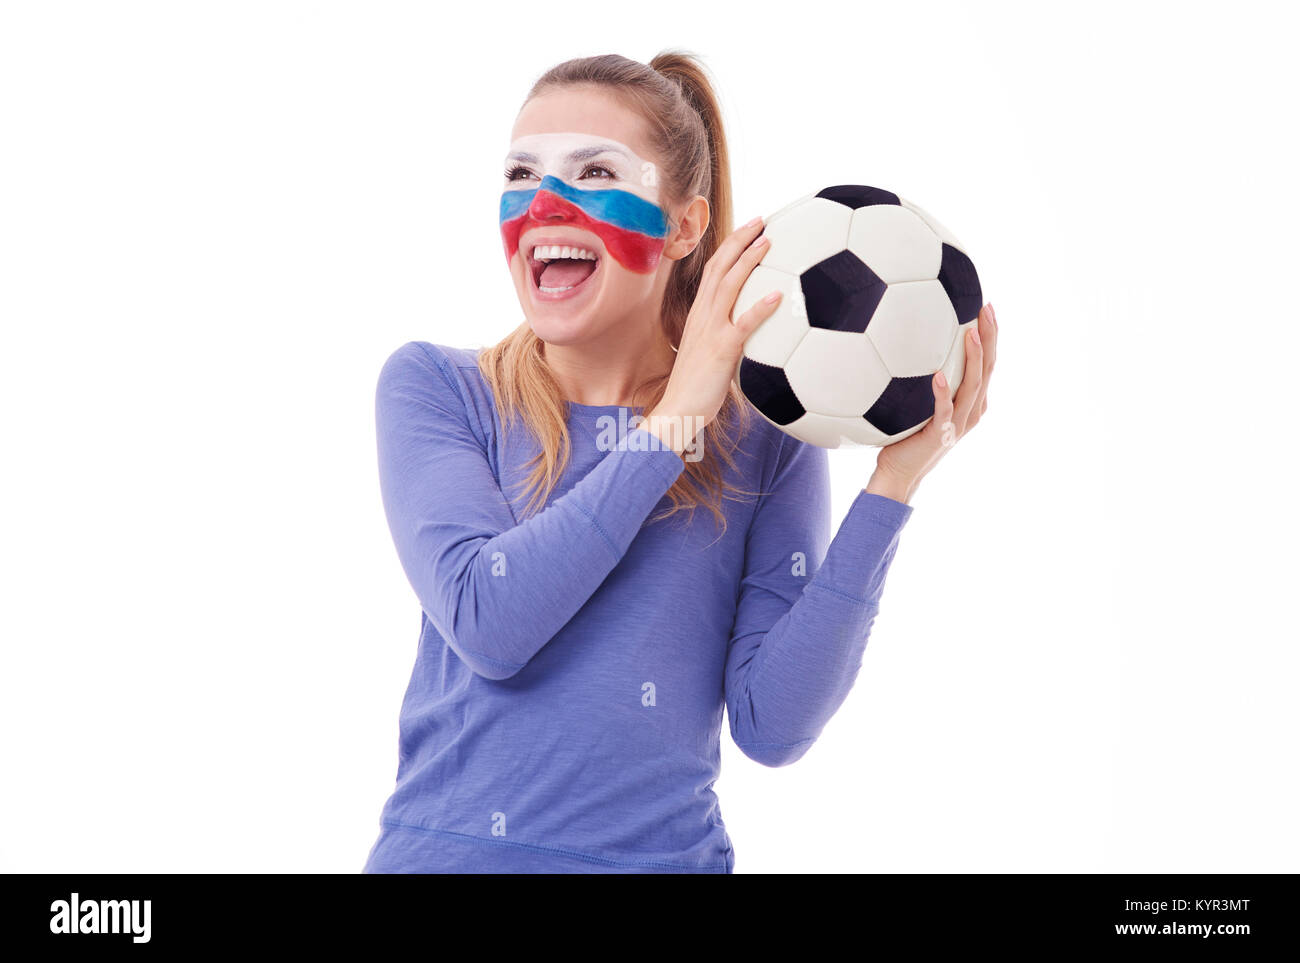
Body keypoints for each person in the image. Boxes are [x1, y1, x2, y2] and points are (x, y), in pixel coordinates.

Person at [362, 50, 998, 874]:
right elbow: (492, 624)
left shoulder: (767, 431)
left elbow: (774, 723)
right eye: (522, 172)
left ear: (686, 226)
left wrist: (893, 485)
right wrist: (674, 423)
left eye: (595, 171)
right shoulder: (437, 388)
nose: (545, 200)